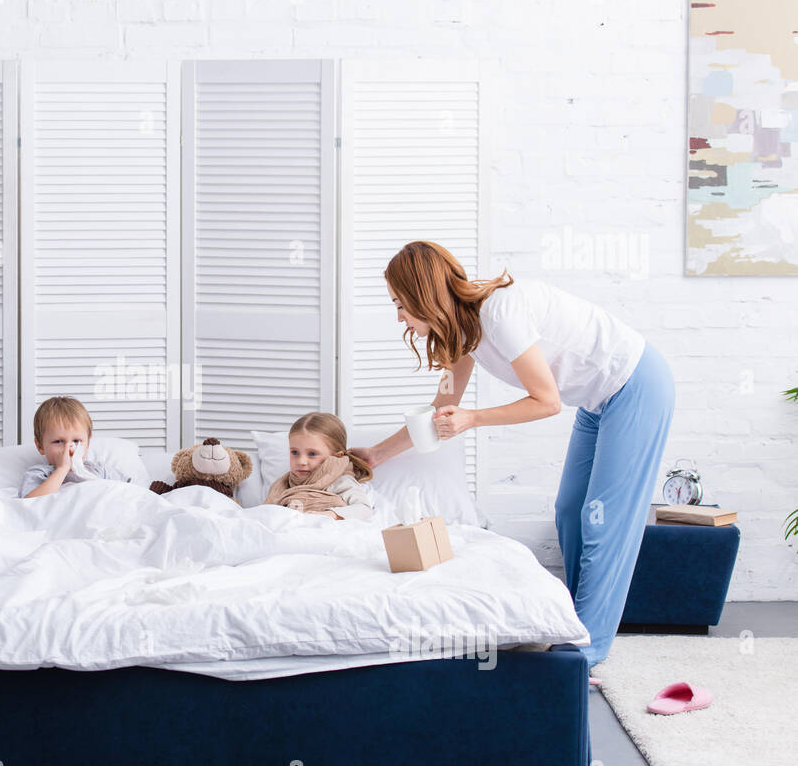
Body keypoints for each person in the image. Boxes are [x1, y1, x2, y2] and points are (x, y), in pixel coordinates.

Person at [352, 241, 674, 669]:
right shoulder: (462, 336)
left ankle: (585, 652)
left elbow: (546, 402)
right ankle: (576, 623)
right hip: (598, 401)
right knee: (570, 510)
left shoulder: (499, 314)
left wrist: (472, 419)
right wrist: (376, 455)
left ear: (422, 294)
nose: (399, 317)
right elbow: (436, 411)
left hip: (634, 385)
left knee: (603, 520)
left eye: (400, 304)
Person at [265, 412, 376, 520]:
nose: (301, 461)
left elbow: (364, 510)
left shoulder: (340, 482)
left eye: (312, 454)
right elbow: (265, 513)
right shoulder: (282, 484)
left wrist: (331, 515)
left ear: (336, 457)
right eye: (294, 452)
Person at [21, 397, 130, 498]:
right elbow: (30, 501)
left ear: (87, 443)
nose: (69, 448)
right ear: (40, 446)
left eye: (76, 441)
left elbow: (131, 491)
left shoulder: (99, 469)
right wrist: (62, 469)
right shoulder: (40, 473)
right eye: (58, 442)